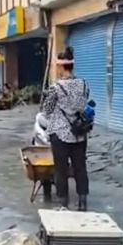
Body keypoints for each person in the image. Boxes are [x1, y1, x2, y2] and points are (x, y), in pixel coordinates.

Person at [40, 46, 91, 211]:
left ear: (61, 67)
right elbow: (84, 103)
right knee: (80, 168)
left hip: (60, 135)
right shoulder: (83, 84)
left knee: (61, 170)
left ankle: (63, 204)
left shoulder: (55, 88)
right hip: (80, 133)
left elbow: (46, 111)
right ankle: (82, 202)